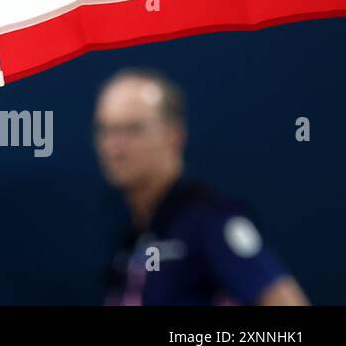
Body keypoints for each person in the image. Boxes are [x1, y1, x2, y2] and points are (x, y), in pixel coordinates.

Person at [95, 68, 309, 305]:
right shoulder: (133, 236)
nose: (115, 148)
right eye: (106, 130)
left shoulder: (211, 222)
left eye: (133, 130)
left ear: (174, 136)